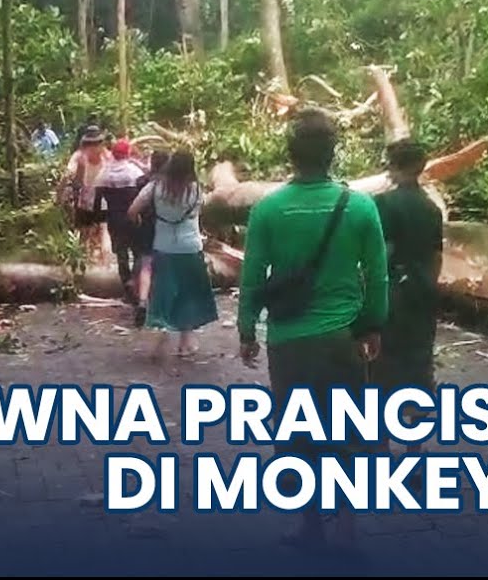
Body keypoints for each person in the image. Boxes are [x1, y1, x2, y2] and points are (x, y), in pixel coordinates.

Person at [236, 108, 389, 553]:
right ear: (332, 154)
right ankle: (346, 527)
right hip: (342, 339)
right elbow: (377, 276)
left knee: (296, 433)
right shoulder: (360, 206)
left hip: (288, 342)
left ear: (291, 155)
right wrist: (372, 325)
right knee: (346, 431)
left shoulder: (268, 209)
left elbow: (252, 276)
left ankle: (310, 526)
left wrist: (247, 330)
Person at [374, 138, 443, 481]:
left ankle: (382, 450)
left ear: (392, 165)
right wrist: (427, 286)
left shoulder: (383, 204)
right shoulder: (431, 208)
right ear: (421, 166)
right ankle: (414, 454)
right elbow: (436, 257)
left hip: (391, 295)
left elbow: (382, 252)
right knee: (417, 367)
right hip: (422, 295)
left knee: (380, 370)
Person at [128, 149, 218, 357]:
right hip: (190, 247)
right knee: (188, 293)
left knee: (164, 291)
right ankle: (186, 342)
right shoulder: (196, 189)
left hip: (164, 247)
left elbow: (132, 210)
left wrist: (142, 222)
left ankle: (163, 330)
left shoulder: (155, 187)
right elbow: (200, 211)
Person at [93, 138, 145, 303]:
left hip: (114, 219)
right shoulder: (134, 172)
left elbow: (97, 200)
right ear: (128, 153)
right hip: (133, 218)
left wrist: (99, 219)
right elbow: (143, 194)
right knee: (138, 253)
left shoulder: (104, 173)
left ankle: (127, 289)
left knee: (121, 256)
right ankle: (136, 285)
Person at [63, 126, 113, 265]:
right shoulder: (107, 155)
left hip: (86, 199)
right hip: (103, 199)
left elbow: (68, 174)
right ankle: (106, 266)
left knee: (84, 235)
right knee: (104, 231)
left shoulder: (79, 156)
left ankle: (86, 266)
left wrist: (60, 192)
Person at [130, 150, 169, 328]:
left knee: (146, 266)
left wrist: (137, 220)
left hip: (148, 227)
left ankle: (143, 302)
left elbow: (133, 210)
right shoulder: (176, 186)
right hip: (168, 230)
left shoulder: (146, 183)